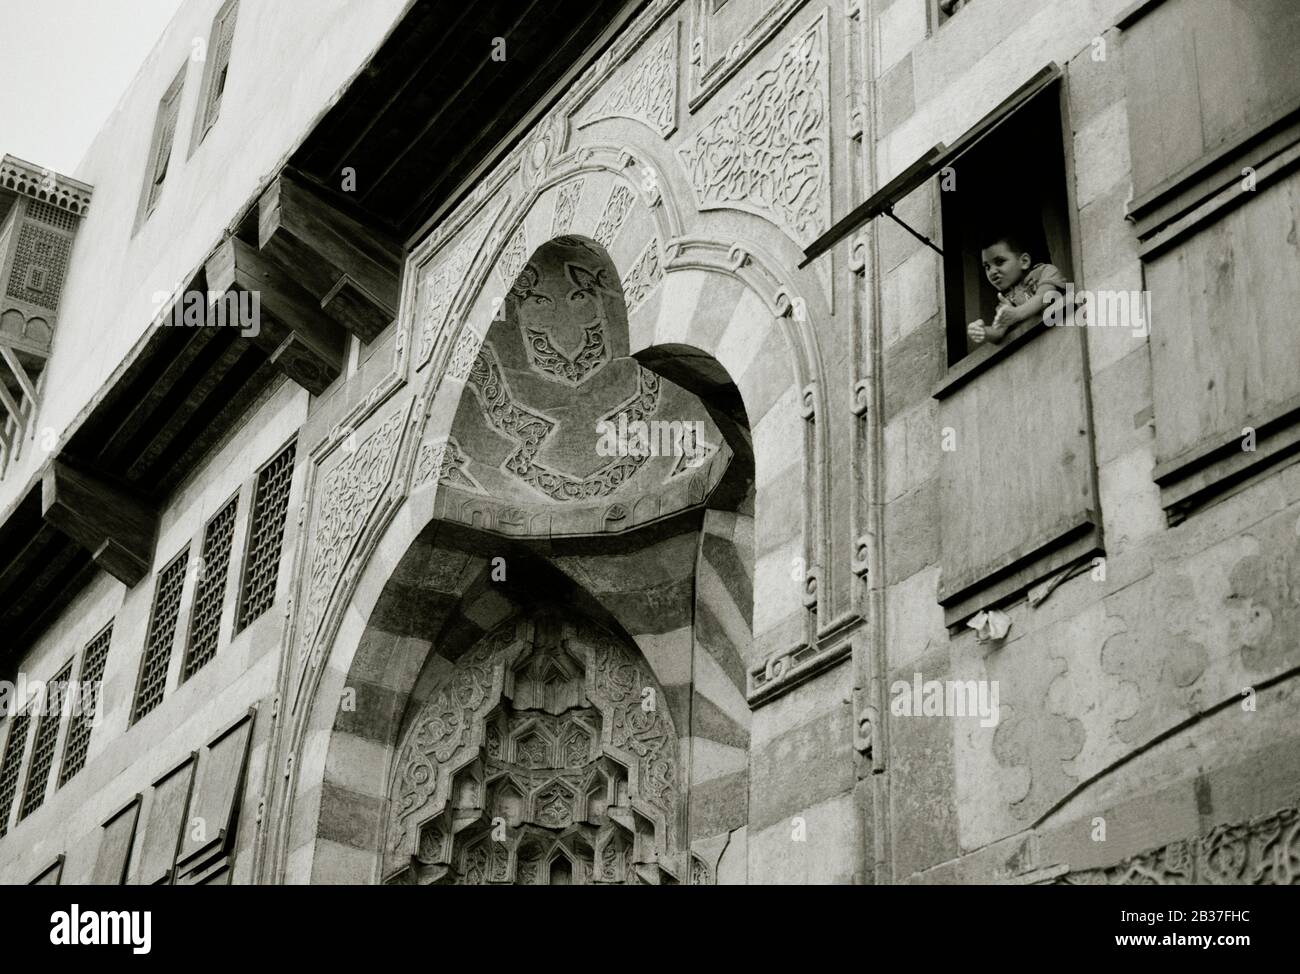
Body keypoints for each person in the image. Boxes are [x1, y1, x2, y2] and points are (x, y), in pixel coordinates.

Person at [966, 233, 1069, 346]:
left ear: (1024, 261)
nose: (992, 271)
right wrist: (983, 332)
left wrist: (1017, 313)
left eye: (999, 262)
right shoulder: (1006, 301)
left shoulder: (1045, 271)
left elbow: (1043, 297)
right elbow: (999, 331)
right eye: (987, 266)